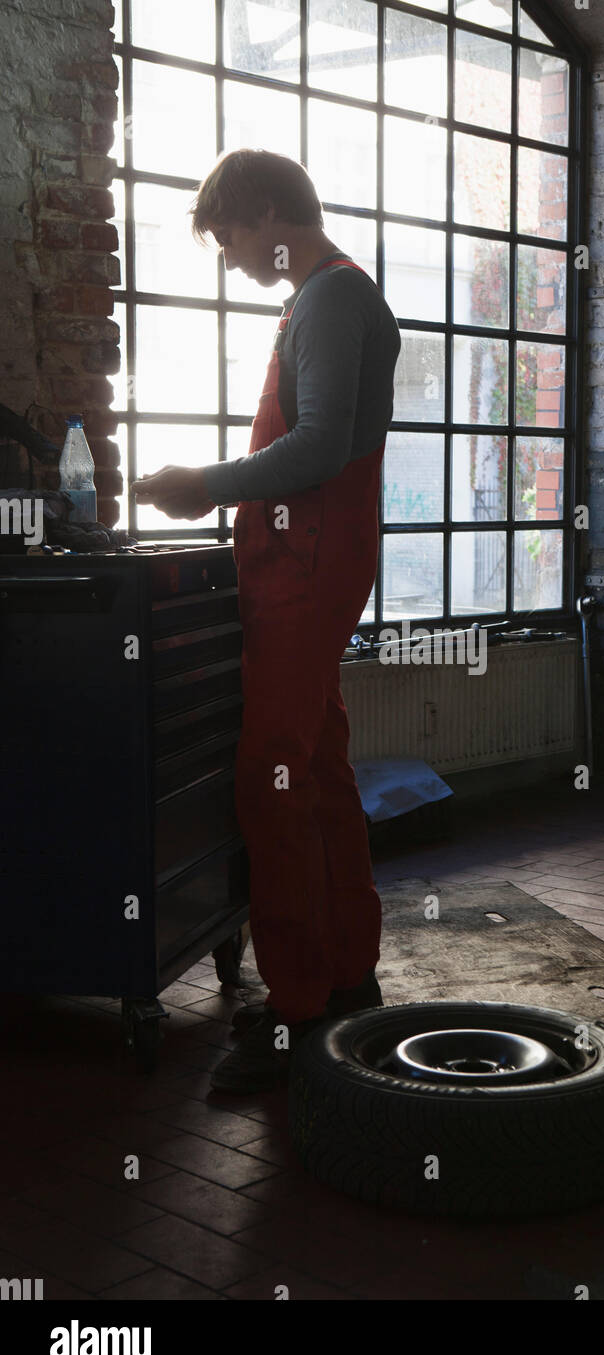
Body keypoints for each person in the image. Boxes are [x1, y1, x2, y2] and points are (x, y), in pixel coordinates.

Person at [131, 148, 402, 1092]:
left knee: (272, 781)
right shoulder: (329, 297)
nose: (232, 260)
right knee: (319, 769)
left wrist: (202, 486)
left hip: (305, 567)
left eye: (232, 239)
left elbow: (320, 443)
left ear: (271, 215)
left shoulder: (330, 298)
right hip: (311, 564)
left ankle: (296, 1011)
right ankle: (346, 975)